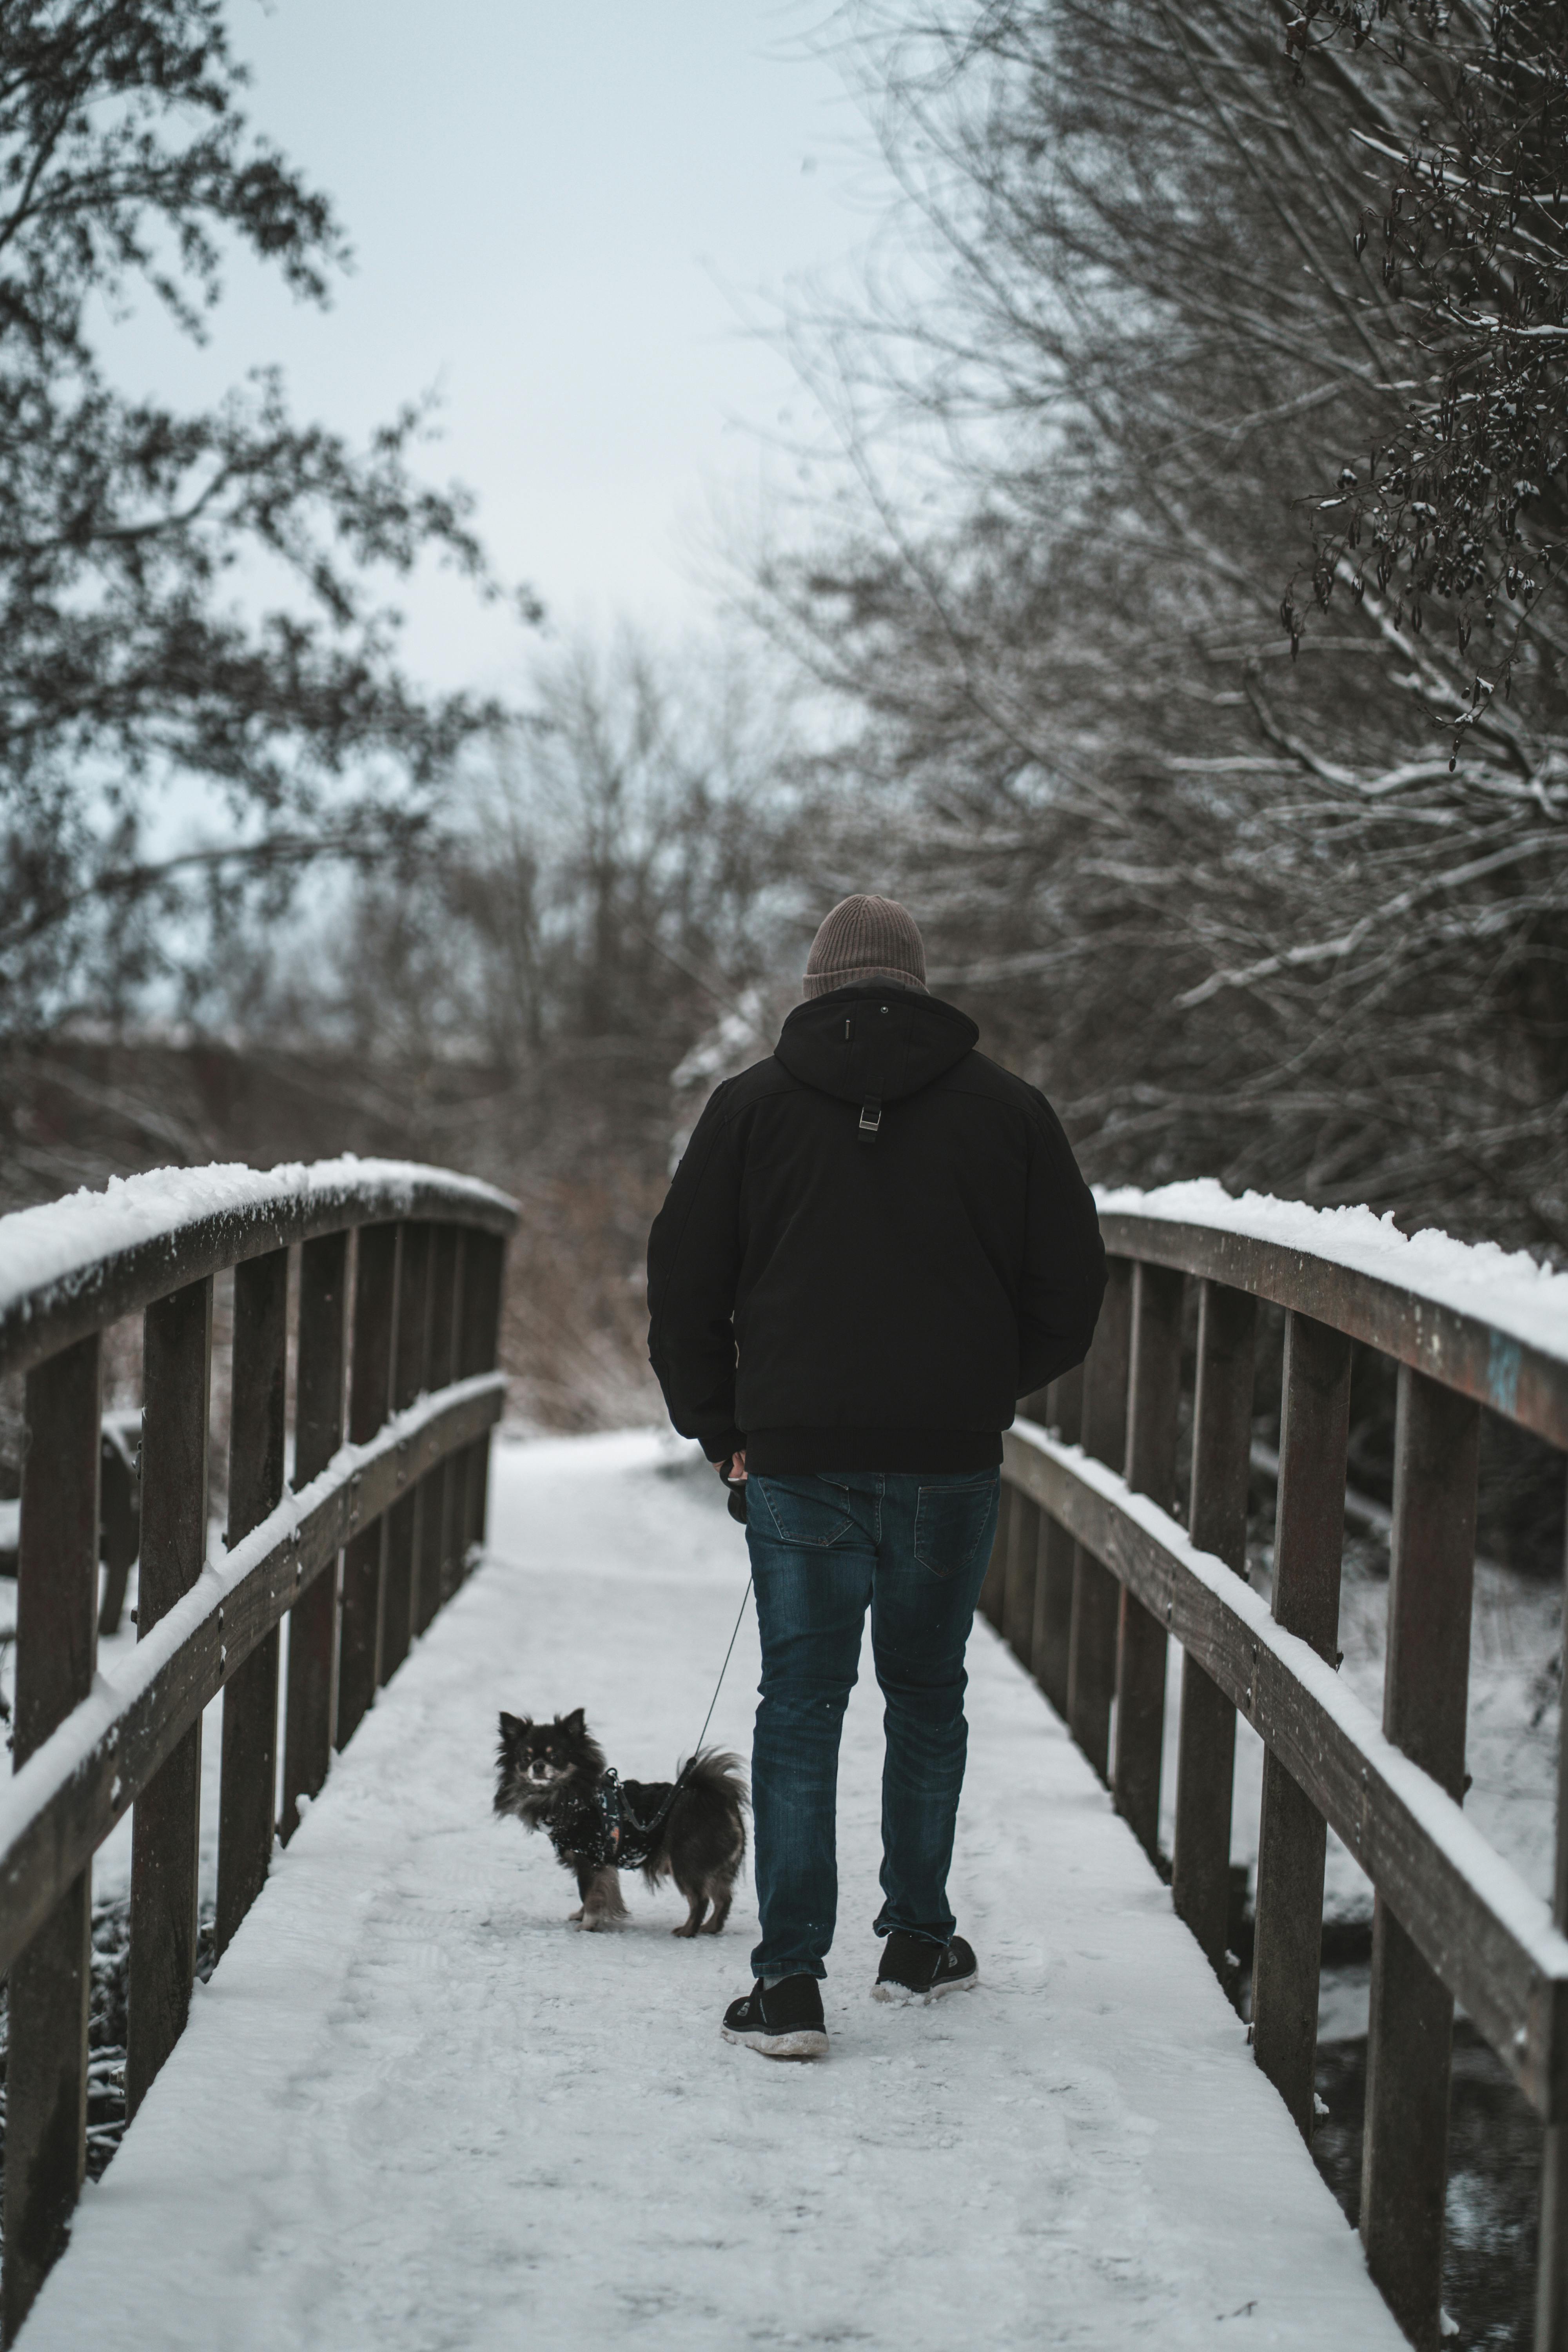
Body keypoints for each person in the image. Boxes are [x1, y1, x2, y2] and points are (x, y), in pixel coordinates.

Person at [646, 894, 1105, 2058]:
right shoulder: (1009, 1114)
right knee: (927, 1691)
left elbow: (684, 1287)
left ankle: (790, 1988)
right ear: (917, 984)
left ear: (816, 990)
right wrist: (979, 1387)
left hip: (798, 1460)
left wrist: (722, 1425)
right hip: (947, 1463)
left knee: (800, 1708)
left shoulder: (748, 1111)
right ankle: (916, 1944)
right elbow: (1072, 1297)